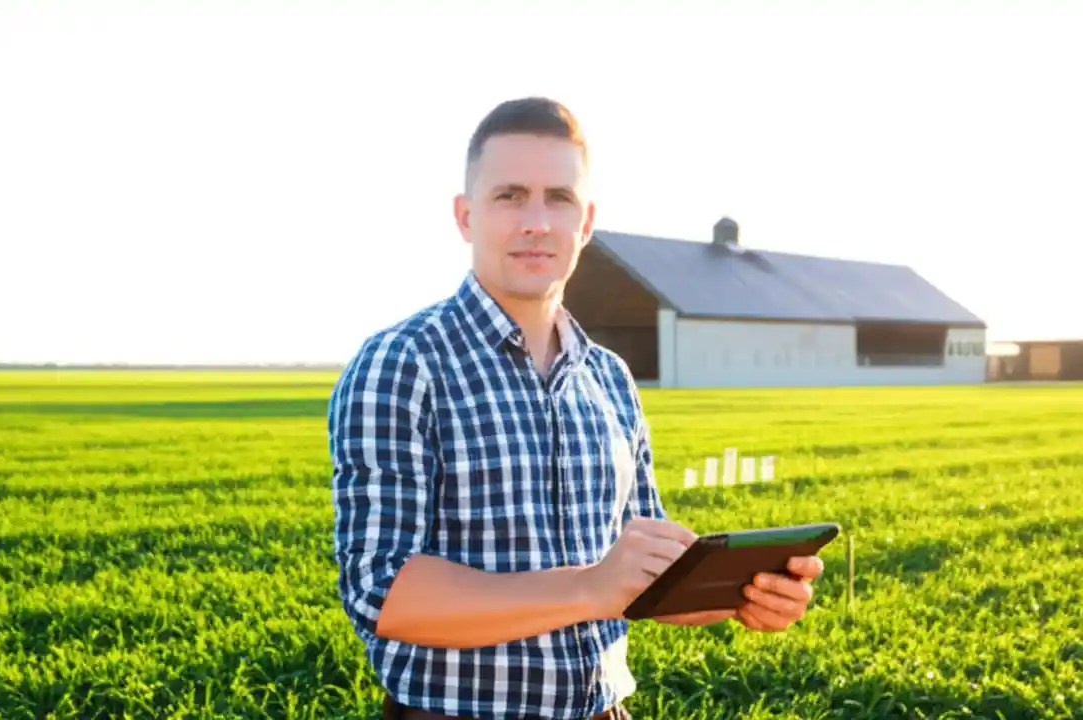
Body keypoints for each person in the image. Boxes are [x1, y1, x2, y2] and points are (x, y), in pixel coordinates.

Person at [327, 97, 825, 720]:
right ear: (465, 216)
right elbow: (383, 591)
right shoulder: (402, 363)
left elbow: (641, 581)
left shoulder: (610, 378)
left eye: (558, 198)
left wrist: (742, 593)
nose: (536, 221)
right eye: (510, 195)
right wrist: (590, 586)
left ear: (585, 221)